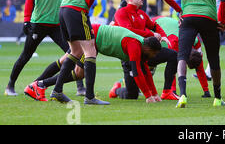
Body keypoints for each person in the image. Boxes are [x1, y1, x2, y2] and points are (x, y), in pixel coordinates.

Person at [159, 0, 225, 108]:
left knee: (182, 56)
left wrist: (180, 10)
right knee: (213, 59)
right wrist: (222, 21)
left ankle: (182, 95)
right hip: (209, 18)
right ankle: (217, 98)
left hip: (188, 17)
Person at [51, 0, 118, 105]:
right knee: (90, 51)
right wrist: (87, 3)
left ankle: (57, 90)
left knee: (75, 52)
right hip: (77, 10)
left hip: (64, 8)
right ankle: (89, 96)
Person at [4, 0, 79, 96]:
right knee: (25, 56)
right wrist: (26, 20)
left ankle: (79, 86)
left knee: (72, 54)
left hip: (57, 25)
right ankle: (10, 85)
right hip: (39, 24)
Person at [25, 24, 162, 103]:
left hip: (93, 37)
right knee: (73, 68)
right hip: (91, 39)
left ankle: (36, 85)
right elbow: (136, 71)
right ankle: (39, 85)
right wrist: (148, 96)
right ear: (149, 49)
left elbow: (144, 69)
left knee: (71, 67)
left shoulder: (141, 45)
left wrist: (154, 94)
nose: (153, 57)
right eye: (154, 54)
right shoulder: (135, 45)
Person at [112, 0, 177, 100]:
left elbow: (154, 26)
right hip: (130, 55)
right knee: (132, 95)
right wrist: (151, 35)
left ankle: (167, 91)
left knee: (173, 55)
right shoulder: (121, 13)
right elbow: (128, 31)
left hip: (146, 52)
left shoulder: (142, 13)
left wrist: (163, 36)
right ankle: (116, 90)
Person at [152, 16, 211, 98]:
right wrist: (173, 90)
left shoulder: (196, 41)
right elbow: (172, 67)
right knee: (150, 63)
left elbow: (200, 67)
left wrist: (206, 90)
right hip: (155, 23)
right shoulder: (175, 42)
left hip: (168, 25)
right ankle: (168, 91)